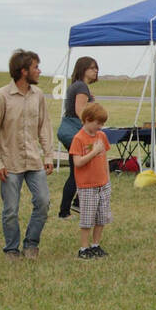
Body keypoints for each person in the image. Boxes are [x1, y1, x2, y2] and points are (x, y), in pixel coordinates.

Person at [0, 50, 54, 260]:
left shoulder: (38, 95)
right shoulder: (1, 97)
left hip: (34, 161)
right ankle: (12, 249)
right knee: (11, 210)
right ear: (23, 71)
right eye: (36, 67)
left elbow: (44, 126)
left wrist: (48, 155)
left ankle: (31, 244)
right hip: (10, 163)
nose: (39, 71)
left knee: (43, 202)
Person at [57, 56, 99, 220]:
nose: (95, 71)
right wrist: (91, 129)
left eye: (96, 68)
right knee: (78, 171)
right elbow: (80, 111)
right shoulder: (81, 86)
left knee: (79, 170)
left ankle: (73, 205)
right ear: (83, 69)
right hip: (74, 131)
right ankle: (67, 209)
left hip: (69, 131)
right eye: (92, 68)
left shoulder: (78, 86)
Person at [70, 102, 112, 258]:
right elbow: (78, 162)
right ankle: (84, 248)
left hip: (103, 184)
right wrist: (94, 152)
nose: (100, 127)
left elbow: (105, 158)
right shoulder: (78, 139)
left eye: (102, 124)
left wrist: (107, 179)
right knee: (87, 219)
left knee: (102, 217)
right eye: (98, 123)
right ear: (87, 119)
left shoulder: (102, 136)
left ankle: (96, 244)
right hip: (87, 185)